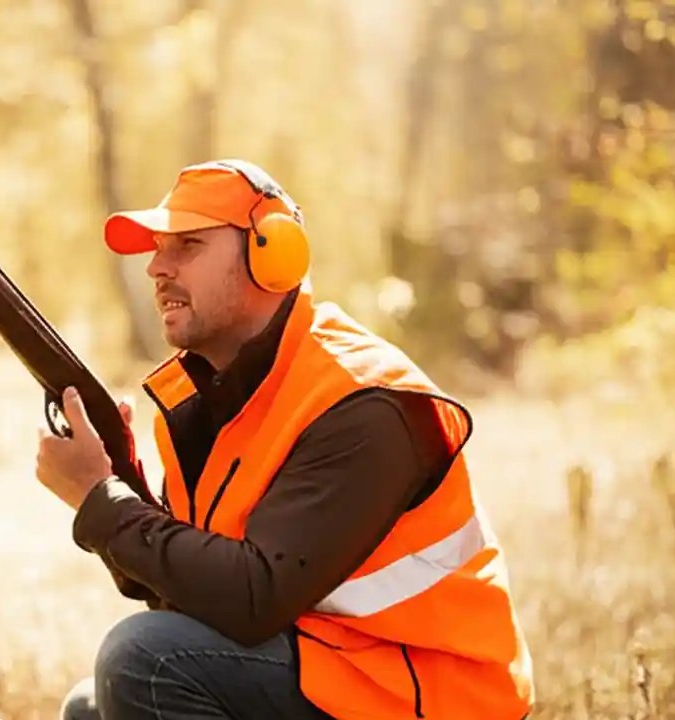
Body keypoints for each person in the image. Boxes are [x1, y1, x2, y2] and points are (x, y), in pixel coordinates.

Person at [35, 159, 535, 719]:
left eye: (188, 245)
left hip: (425, 696)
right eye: (158, 248)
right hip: (340, 668)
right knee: (90, 708)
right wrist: (117, 478)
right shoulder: (216, 395)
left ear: (272, 254)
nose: (157, 267)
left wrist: (103, 503)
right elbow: (186, 595)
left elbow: (253, 598)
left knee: (144, 660)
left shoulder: (362, 401)